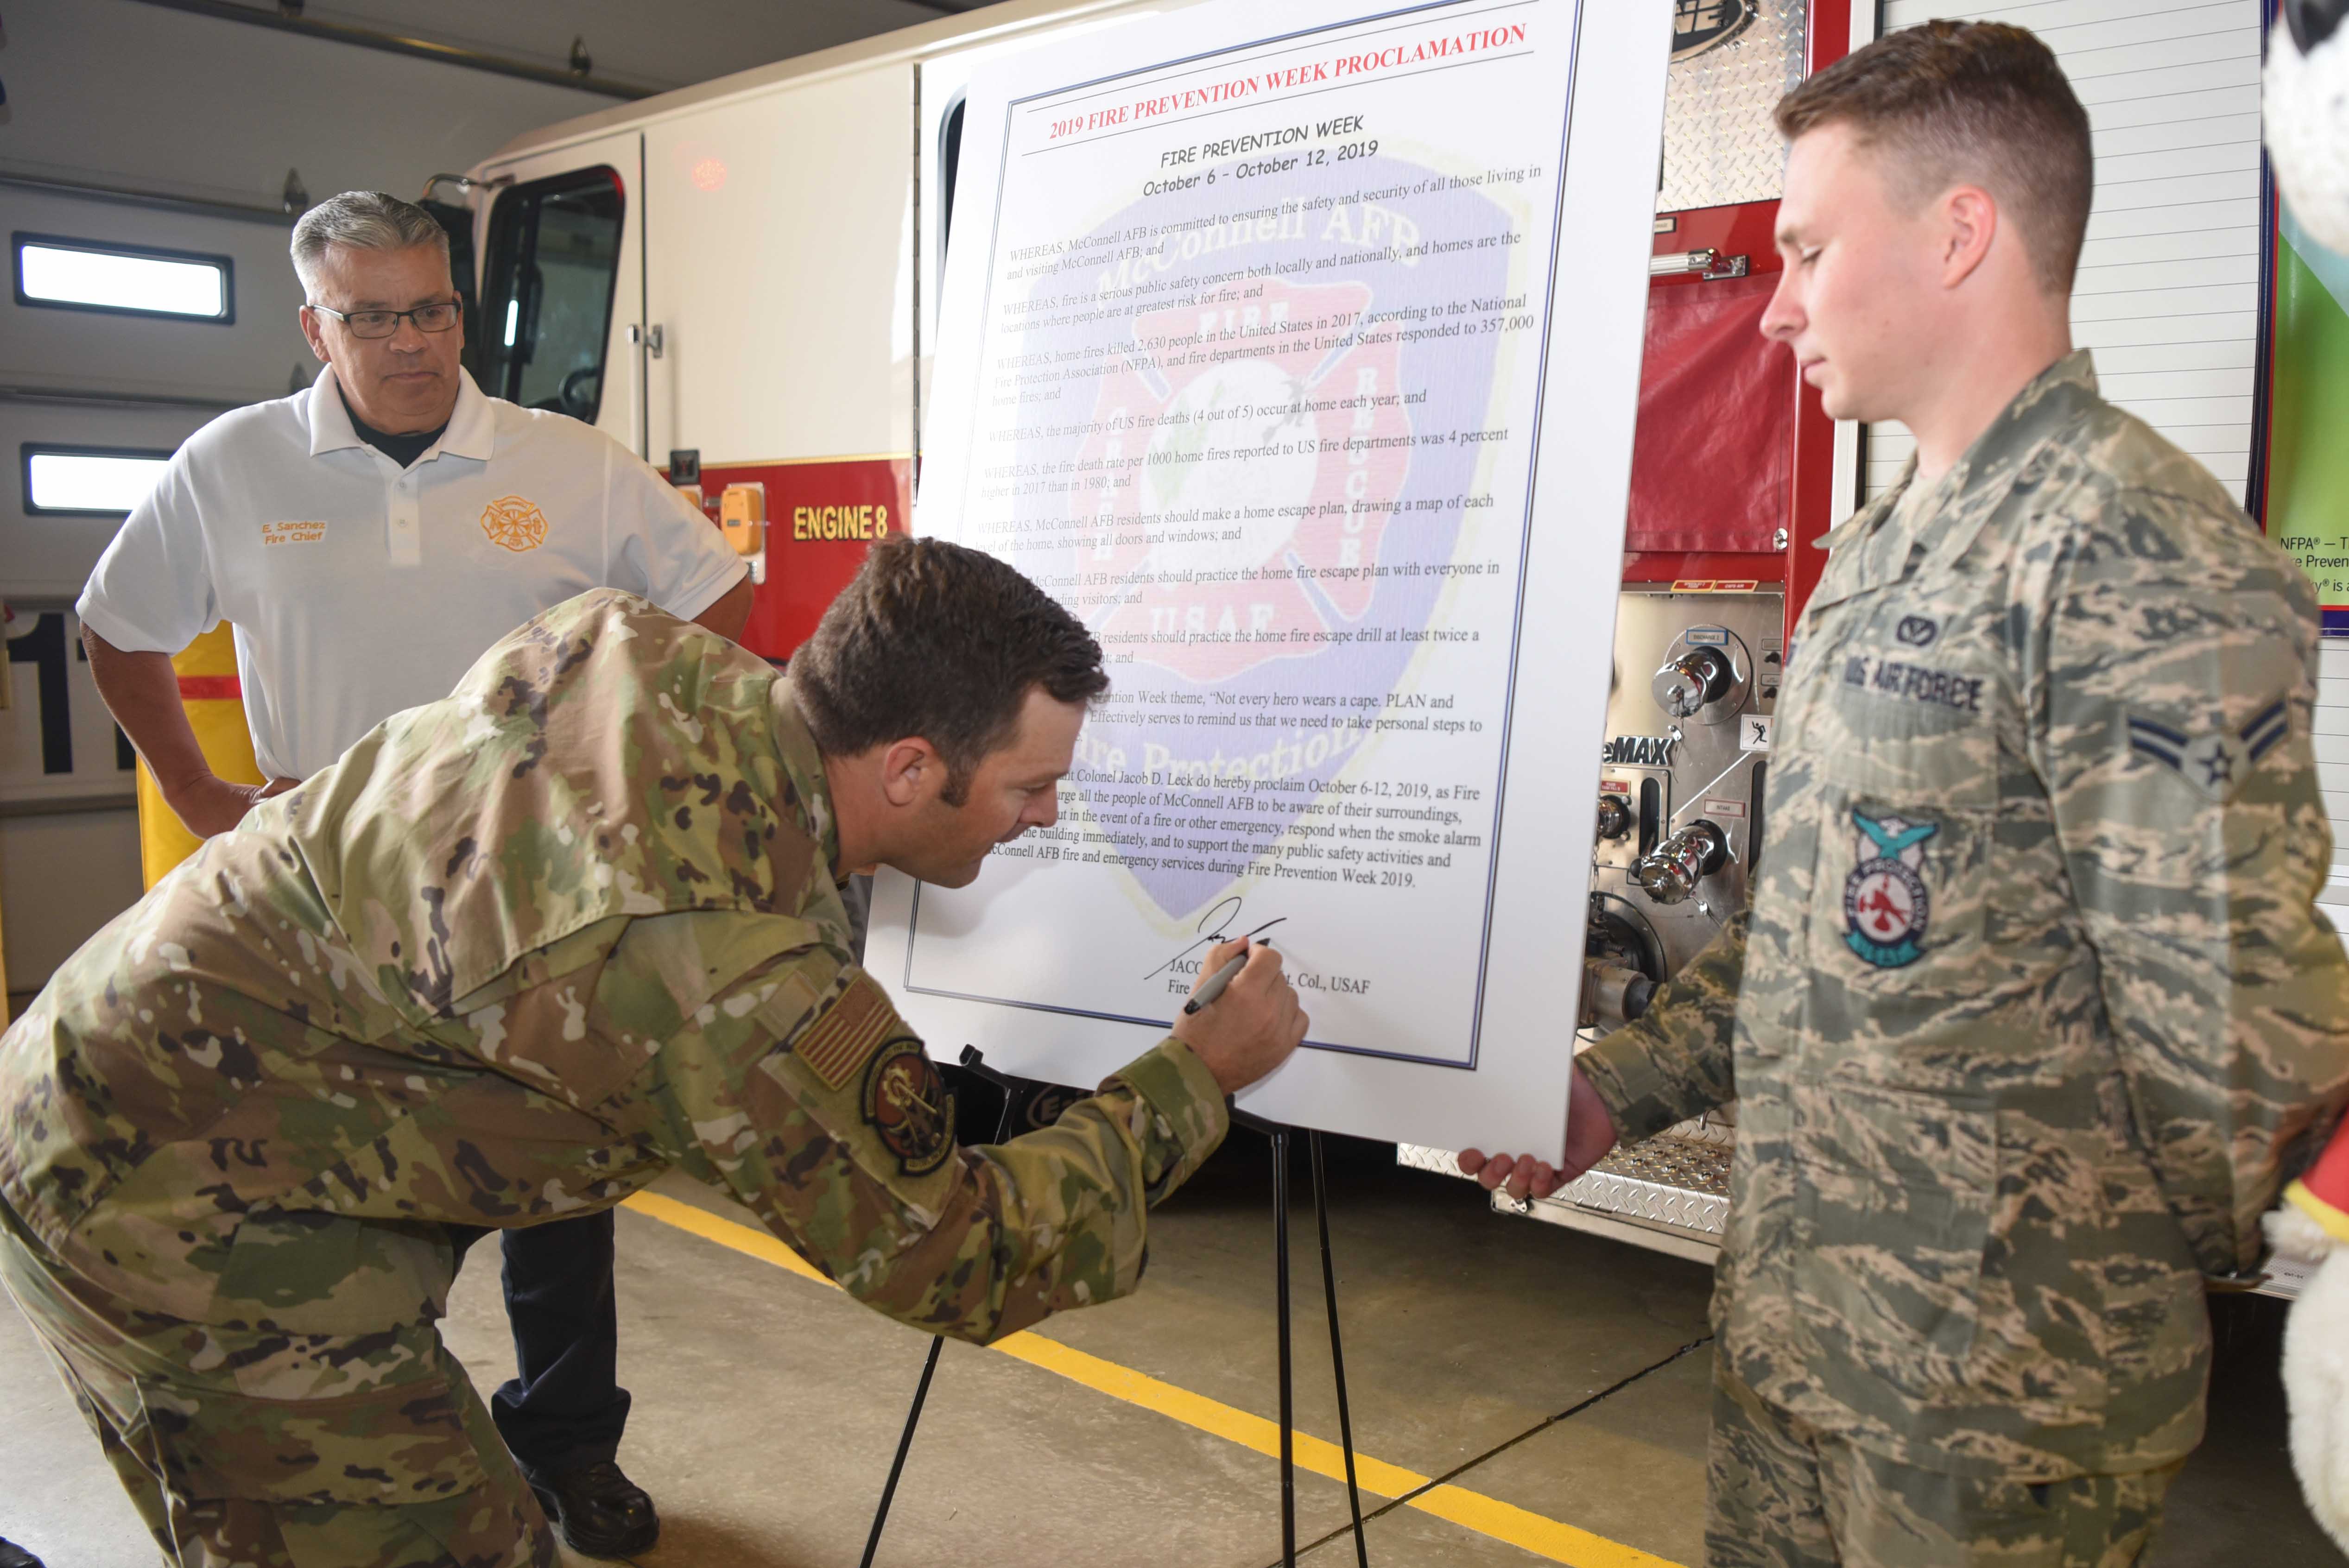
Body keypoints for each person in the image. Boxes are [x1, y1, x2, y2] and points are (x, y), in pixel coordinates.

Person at [1465, 23, 2349, 1565]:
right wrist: (1615, 1092)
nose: (1776, 308)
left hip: (1996, 1406)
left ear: (1960, 234)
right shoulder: (1878, 552)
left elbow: (2231, 1017)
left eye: (1808, 250)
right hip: (1799, 1342)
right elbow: (1810, 920)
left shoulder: (2132, 551)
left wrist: (2108, 1283)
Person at [0, 537, 1306, 1565]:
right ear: (910, 769)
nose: (1049, 815)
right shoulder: (721, 970)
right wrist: (1195, 1076)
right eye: (1031, 786)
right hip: (169, 1197)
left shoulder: (631, 643)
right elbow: (958, 1254)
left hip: (130, 1064)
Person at [72, 190, 753, 1555]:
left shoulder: (566, 461)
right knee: (331, 1189)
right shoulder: (235, 466)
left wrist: (616, 768)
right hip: (320, 902)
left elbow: (715, 599)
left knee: (562, 1190)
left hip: (534, 891)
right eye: (372, 316)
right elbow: (117, 623)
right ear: (313, 325)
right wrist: (199, 792)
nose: (411, 342)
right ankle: (368, 1449)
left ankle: (570, 1444)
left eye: (433, 308)